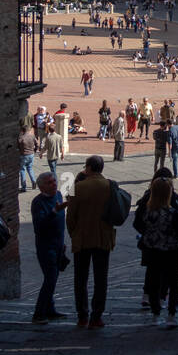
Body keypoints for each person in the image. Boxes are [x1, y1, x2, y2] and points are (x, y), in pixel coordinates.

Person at [66, 155, 119, 329]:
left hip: (82, 237)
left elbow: (70, 216)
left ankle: (82, 316)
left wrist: (74, 232)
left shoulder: (77, 187)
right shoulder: (110, 186)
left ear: (88, 167)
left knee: (80, 279)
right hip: (103, 237)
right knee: (101, 278)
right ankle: (97, 316)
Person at [134, 177, 178, 327]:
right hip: (171, 249)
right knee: (174, 282)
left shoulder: (147, 212)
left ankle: (155, 313)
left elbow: (139, 225)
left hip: (152, 249)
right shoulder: (173, 213)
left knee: (154, 280)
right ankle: (172, 314)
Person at [30, 171, 68, 324]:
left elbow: (60, 223)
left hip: (58, 245)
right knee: (50, 279)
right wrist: (54, 212)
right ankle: (38, 313)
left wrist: (62, 242)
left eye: (54, 181)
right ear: (41, 187)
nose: (54, 184)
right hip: (46, 247)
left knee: (53, 278)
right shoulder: (38, 203)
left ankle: (50, 310)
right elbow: (39, 226)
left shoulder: (58, 195)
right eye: (50, 183)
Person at [18, 123, 37, 192]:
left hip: (23, 155)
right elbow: (36, 143)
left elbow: (18, 145)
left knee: (22, 170)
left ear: (22, 130)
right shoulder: (32, 136)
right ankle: (33, 181)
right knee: (30, 168)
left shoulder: (21, 137)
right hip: (31, 154)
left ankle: (24, 187)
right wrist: (34, 150)